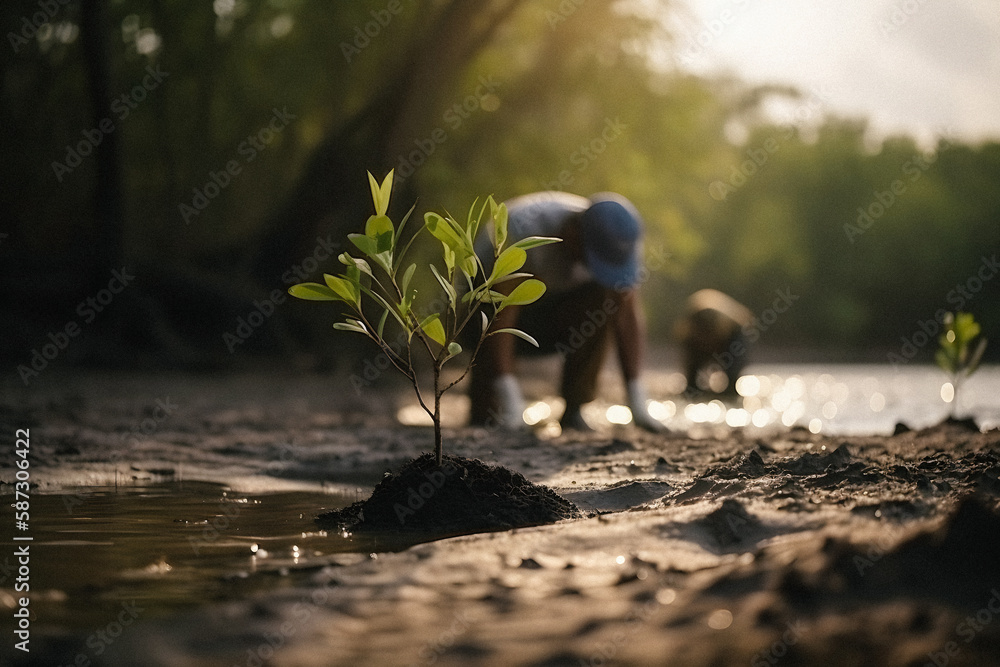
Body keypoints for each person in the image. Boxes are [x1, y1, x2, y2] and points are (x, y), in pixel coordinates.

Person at [468, 191, 664, 432]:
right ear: (573, 233)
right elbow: (500, 318)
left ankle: (574, 409)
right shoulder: (523, 232)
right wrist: (509, 397)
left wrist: (637, 398)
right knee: (487, 420)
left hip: (554, 321)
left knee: (606, 298)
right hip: (483, 322)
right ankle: (495, 405)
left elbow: (626, 314)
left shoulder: (618, 243)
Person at [674, 288, 753, 393]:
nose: (706, 342)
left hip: (731, 335)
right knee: (691, 384)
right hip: (705, 333)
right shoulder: (688, 332)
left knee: (732, 378)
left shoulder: (730, 329)